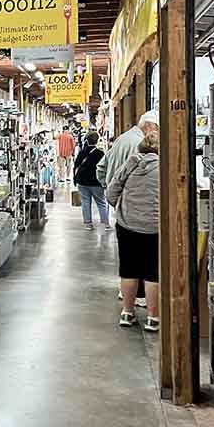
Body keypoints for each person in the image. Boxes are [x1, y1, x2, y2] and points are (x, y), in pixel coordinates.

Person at [107, 133, 160, 332]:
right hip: (155, 227)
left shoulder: (131, 163)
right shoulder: (165, 167)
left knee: (128, 270)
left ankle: (127, 313)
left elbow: (112, 191)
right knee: (152, 272)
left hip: (127, 225)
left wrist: (120, 208)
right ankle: (153, 318)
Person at [96, 110, 159, 189]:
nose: (157, 133)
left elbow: (101, 167)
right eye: (157, 128)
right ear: (147, 126)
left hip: (114, 194)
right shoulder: (141, 144)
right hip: (127, 197)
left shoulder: (122, 138)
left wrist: (108, 187)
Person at [73, 131, 110, 230]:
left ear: (86, 140)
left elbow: (76, 166)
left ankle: (88, 224)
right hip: (96, 182)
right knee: (101, 202)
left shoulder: (82, 152)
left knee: (85, 202)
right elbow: (104, 168)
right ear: (97, 141)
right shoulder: (100, 153)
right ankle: (105, 223)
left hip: (82, 181)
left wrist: (74, 179)